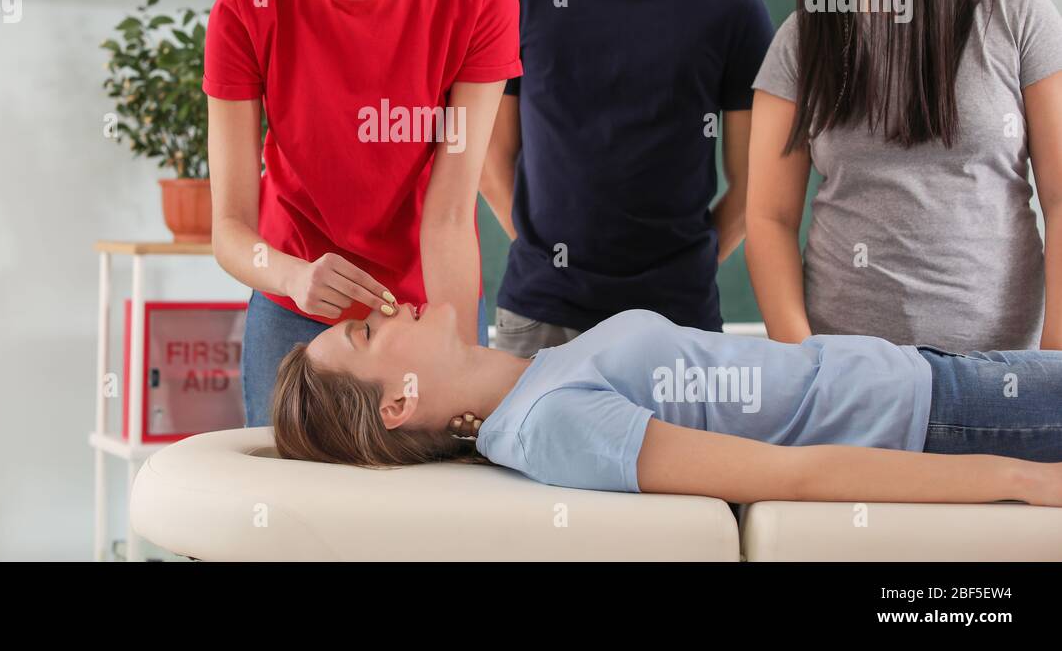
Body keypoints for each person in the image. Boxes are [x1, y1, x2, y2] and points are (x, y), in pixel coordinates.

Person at [203, 0, 522, 427]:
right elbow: (231, 230)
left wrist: (453, 365)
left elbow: (450, 213)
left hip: (428, 313)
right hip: (294, 312)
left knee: (441, 481)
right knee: (286, 488)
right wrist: (293, 277)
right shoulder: (249, 6)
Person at [746, 0, 1062, 351]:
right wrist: (806, 364)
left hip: (1001, 374)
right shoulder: (802, 39)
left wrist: (1055, 363)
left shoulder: (1016, 12)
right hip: (849, 378)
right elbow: (769, 218)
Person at [481, 0, 773, 357]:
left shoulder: (732, 10)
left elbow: (755, 184)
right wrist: (543, 254)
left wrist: (687, 269)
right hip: (538, 318)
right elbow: (490, 156)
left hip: (677, 327)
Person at [270, 298, 1062, 506]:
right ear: (398, 406)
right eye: (367, 334)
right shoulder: (552, 424)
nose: (386, 308)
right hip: (949, 418)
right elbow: (790, 476)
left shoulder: (536, 380)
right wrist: (1021, 480)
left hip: (934, 379)